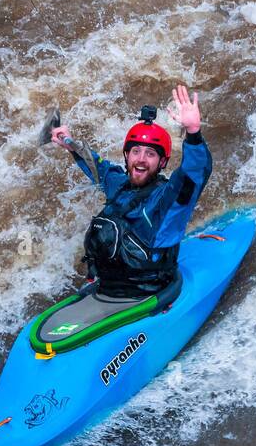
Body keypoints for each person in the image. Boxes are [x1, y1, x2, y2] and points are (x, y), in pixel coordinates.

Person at [50, 84, 212, 303]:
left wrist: (193, 134)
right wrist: (72, 145)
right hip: (106, 287)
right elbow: (99, 167)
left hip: (145, 293)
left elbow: (194, 174)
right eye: (135, 151)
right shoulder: (119, 185)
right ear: (126, 157)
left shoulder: (168, 200)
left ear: (162, 162)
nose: (141, 159)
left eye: (150, 154)